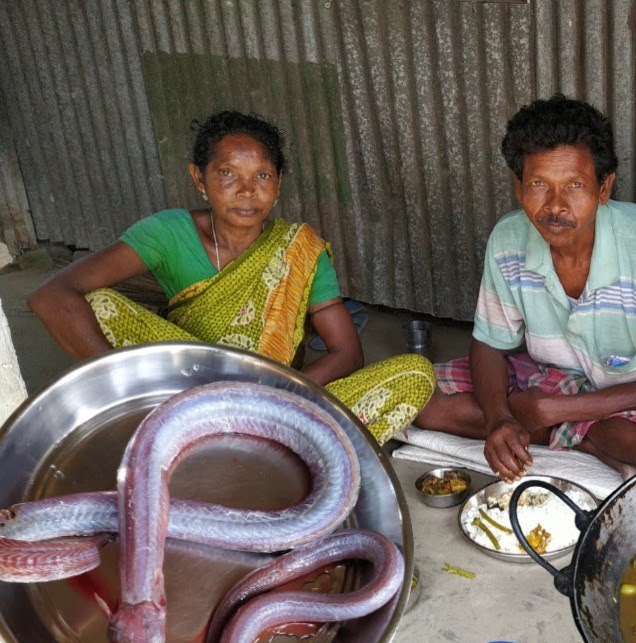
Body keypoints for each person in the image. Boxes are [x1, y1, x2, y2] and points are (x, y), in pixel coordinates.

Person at [28, 110, 435, 444]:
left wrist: (271, 392)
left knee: (415, 375)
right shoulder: (168, 233)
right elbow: (52, 296)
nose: (246, 190)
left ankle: (271, 446)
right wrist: (118, 389)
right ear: (198, 179)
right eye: (227, 174)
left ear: (278, 186)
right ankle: (183, 433)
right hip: (185, 393)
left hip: (274, 405)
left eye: (262, 176)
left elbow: (347, 354)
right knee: (98, 306)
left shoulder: (300, 248)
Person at [415, 94, 636, 481]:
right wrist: (500, 419)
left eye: (574, 185)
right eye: (539, 183)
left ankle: (557, 432)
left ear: (603, 189)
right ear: (519, 188)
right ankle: (579, 439)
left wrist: (555, 412)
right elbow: (489, 343)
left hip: (628, 393)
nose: (555, 205)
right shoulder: (507, 241)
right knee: (423, 404)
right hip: (546, 376)